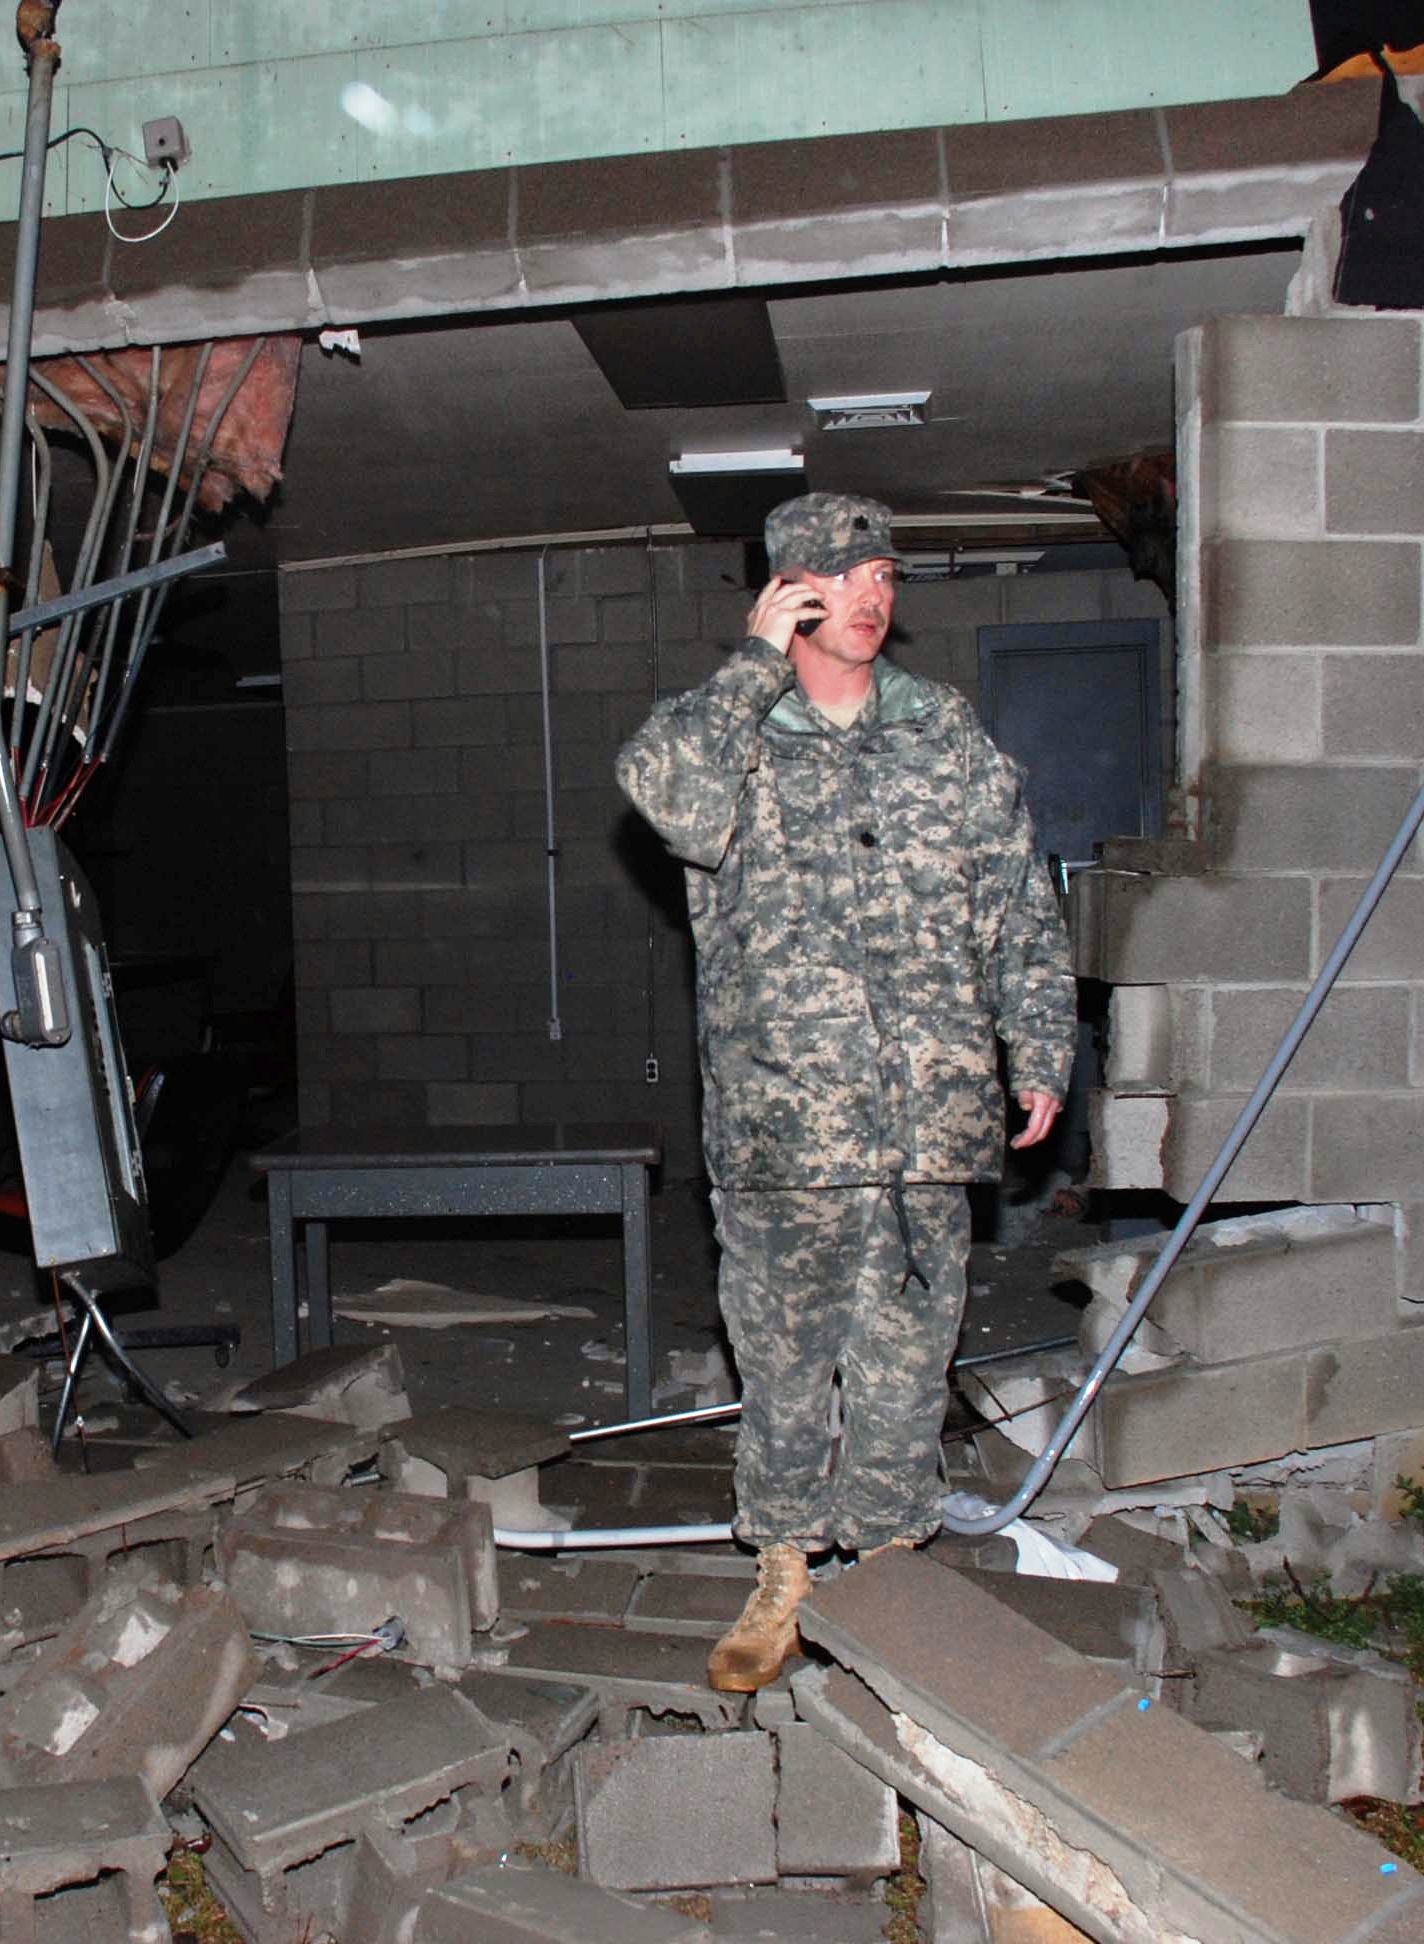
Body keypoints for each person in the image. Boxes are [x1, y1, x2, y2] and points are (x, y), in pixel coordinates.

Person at [614, 493, 1075, 1692]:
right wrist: (751, 666)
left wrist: (1038, 1046)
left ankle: (890, 1567)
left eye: (884, 576)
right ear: (790, 591)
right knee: (782, 1360)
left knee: (908, 1354)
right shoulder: (730, 733)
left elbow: (1016, 899)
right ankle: (783, 1570)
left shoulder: (942, 732)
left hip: (927, 1112)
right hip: (785, 1120)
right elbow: (666, 800)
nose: (872, 595)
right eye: (843, 575)